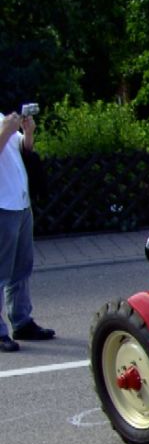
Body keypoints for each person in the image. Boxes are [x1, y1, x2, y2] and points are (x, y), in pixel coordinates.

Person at [0, 108, 55, 352]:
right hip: (2, 205)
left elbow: (21, 150)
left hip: (20, 203)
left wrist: (27, 133)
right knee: (1, 271)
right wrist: (6, 131)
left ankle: (21, 321)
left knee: (22, 268)